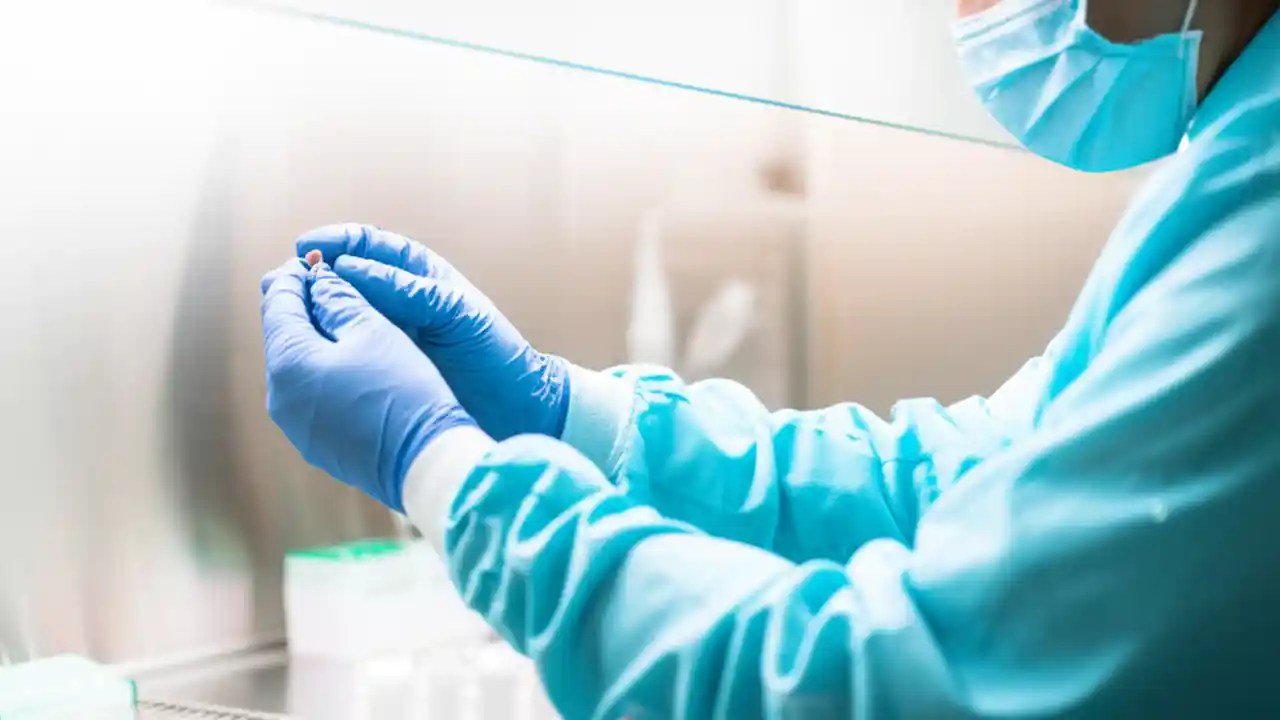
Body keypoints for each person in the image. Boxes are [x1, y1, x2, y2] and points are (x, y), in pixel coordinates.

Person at [259, 0, 1280, 716]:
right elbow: (974, 476)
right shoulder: (1238, 146)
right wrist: (564, 414)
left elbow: (895, 691)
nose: (966, 18)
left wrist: (446, 472)